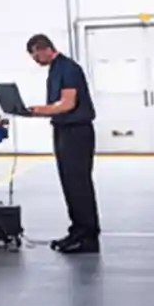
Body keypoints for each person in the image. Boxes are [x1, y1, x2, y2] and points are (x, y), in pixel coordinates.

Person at [25, 34, 101, 254]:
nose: (36, 61)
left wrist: (36, 110)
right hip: (63, 130)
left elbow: (67, 104)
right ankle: (77, 230)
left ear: (42, 49)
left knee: (79, 184)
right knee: (69, 184)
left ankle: (88, 236)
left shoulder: (68, 68)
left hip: (77, 132)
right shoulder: (56, 69)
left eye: (35, 55)